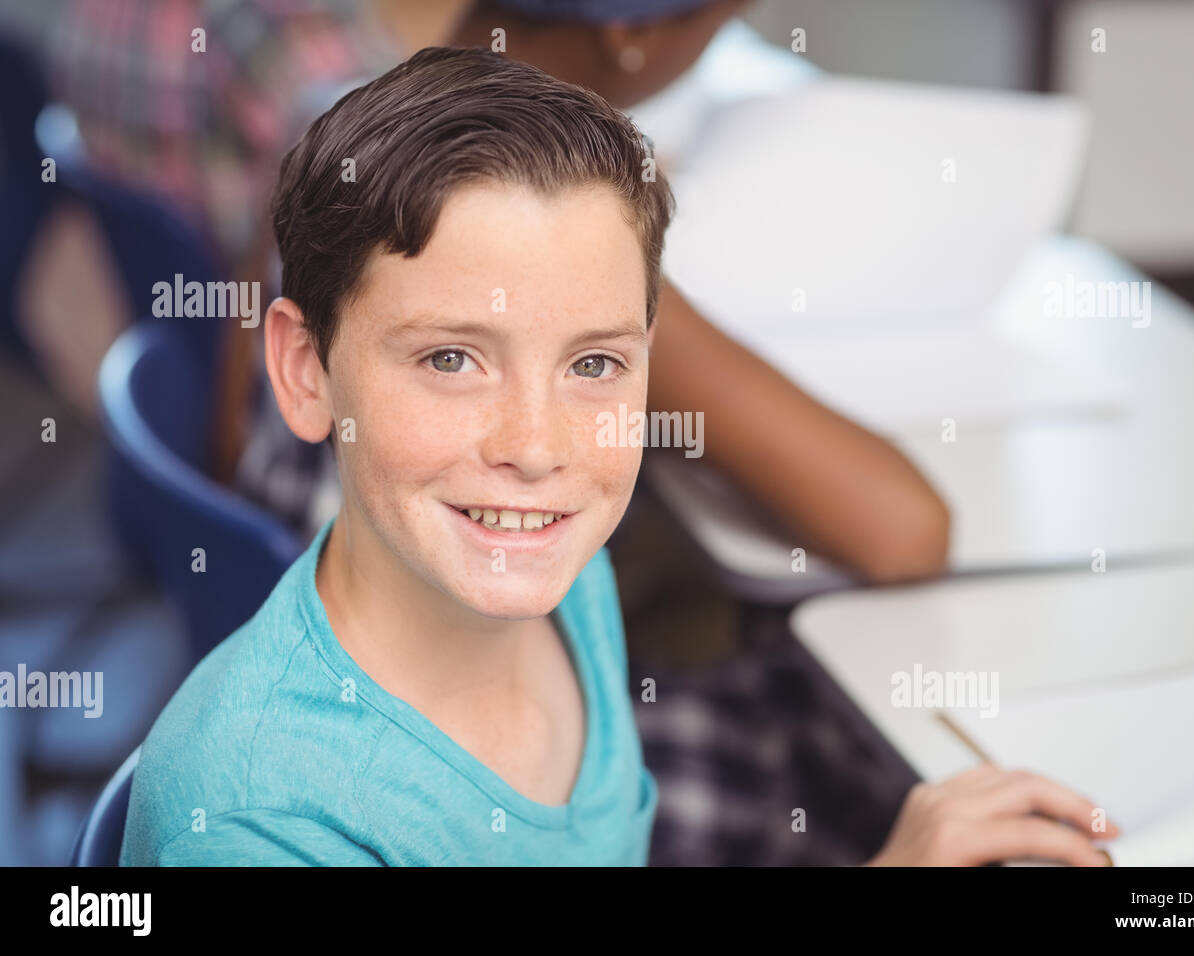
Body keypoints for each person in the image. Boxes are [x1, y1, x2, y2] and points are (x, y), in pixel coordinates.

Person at [120, 45, 1118, 865]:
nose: (537, 449)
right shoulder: (260, 824)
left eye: (593, 363)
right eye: (451, 359)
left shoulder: (566, 581)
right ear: (305, 372)